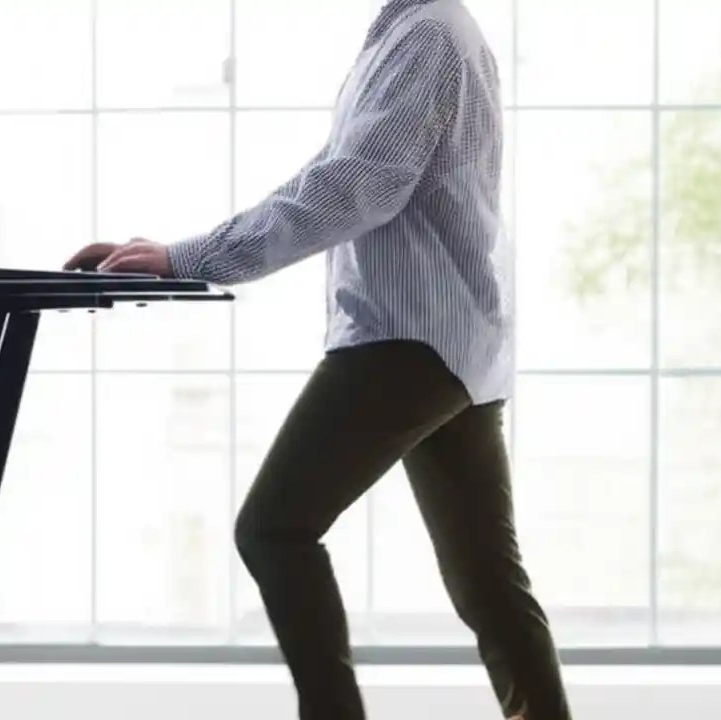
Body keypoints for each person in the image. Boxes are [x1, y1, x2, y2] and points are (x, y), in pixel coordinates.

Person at [65, 1, 571, 718]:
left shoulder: (428, 35)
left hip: (411, 338)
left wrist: (191, 258)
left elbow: (352, 187)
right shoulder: (416, 28)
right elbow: (335, 170)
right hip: (456, 340)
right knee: (490, 584)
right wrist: (178, 254)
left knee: (273, 530)